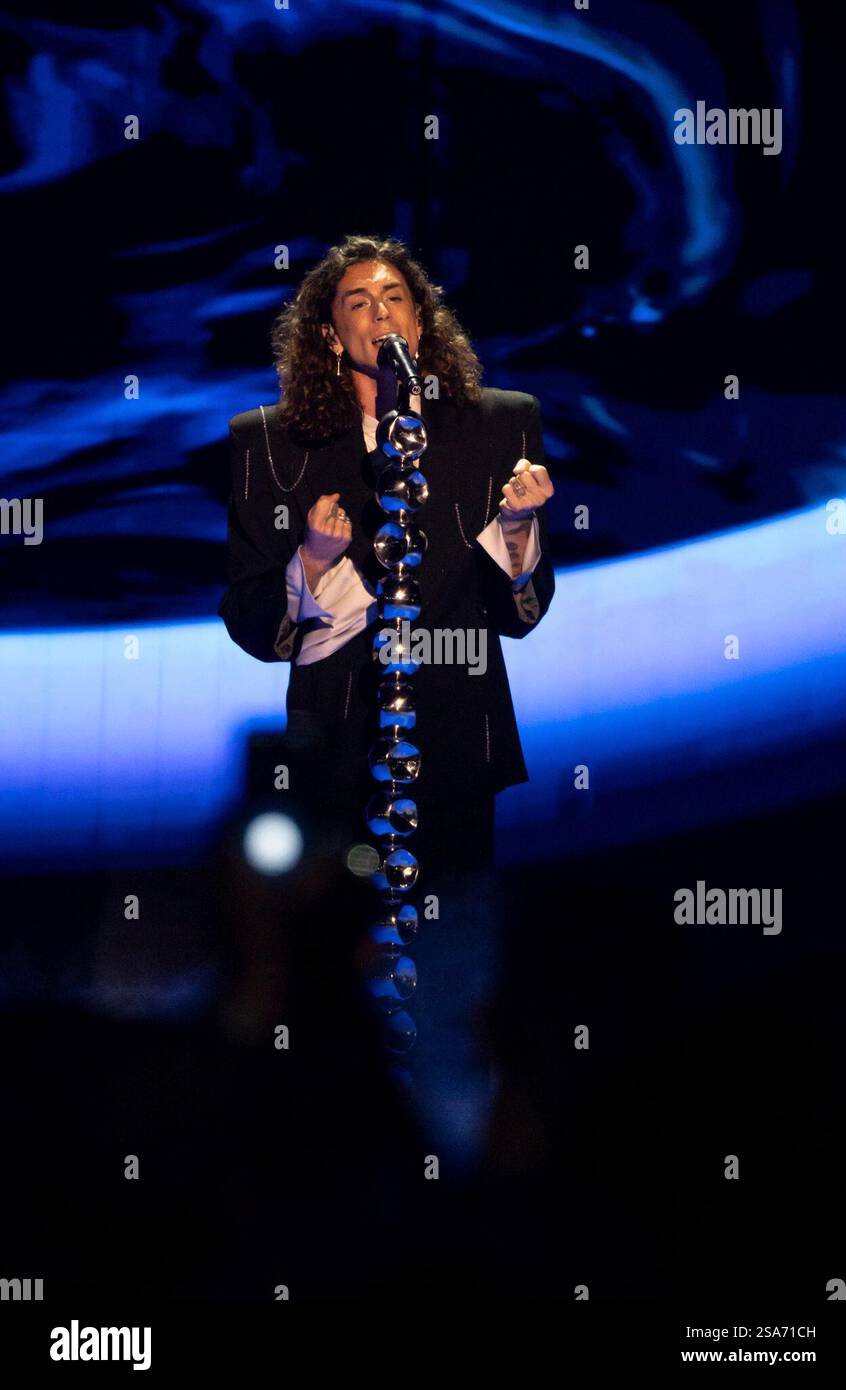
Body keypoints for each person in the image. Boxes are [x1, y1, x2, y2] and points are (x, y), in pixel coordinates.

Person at [218, 234, 556, 1172]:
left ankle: (456, 1179)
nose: (380, 315)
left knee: (447, 983)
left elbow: (522, 614)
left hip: (457, 748)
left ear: (423, 319)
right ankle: (329, 1179)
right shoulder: (269, 445)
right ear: (329, 335)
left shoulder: (499, 427)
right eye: (357, 303)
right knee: (327, 987)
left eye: (395, 298)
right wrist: (310, 569)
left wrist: (520, 533)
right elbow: (250, 619)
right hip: (331, 759)